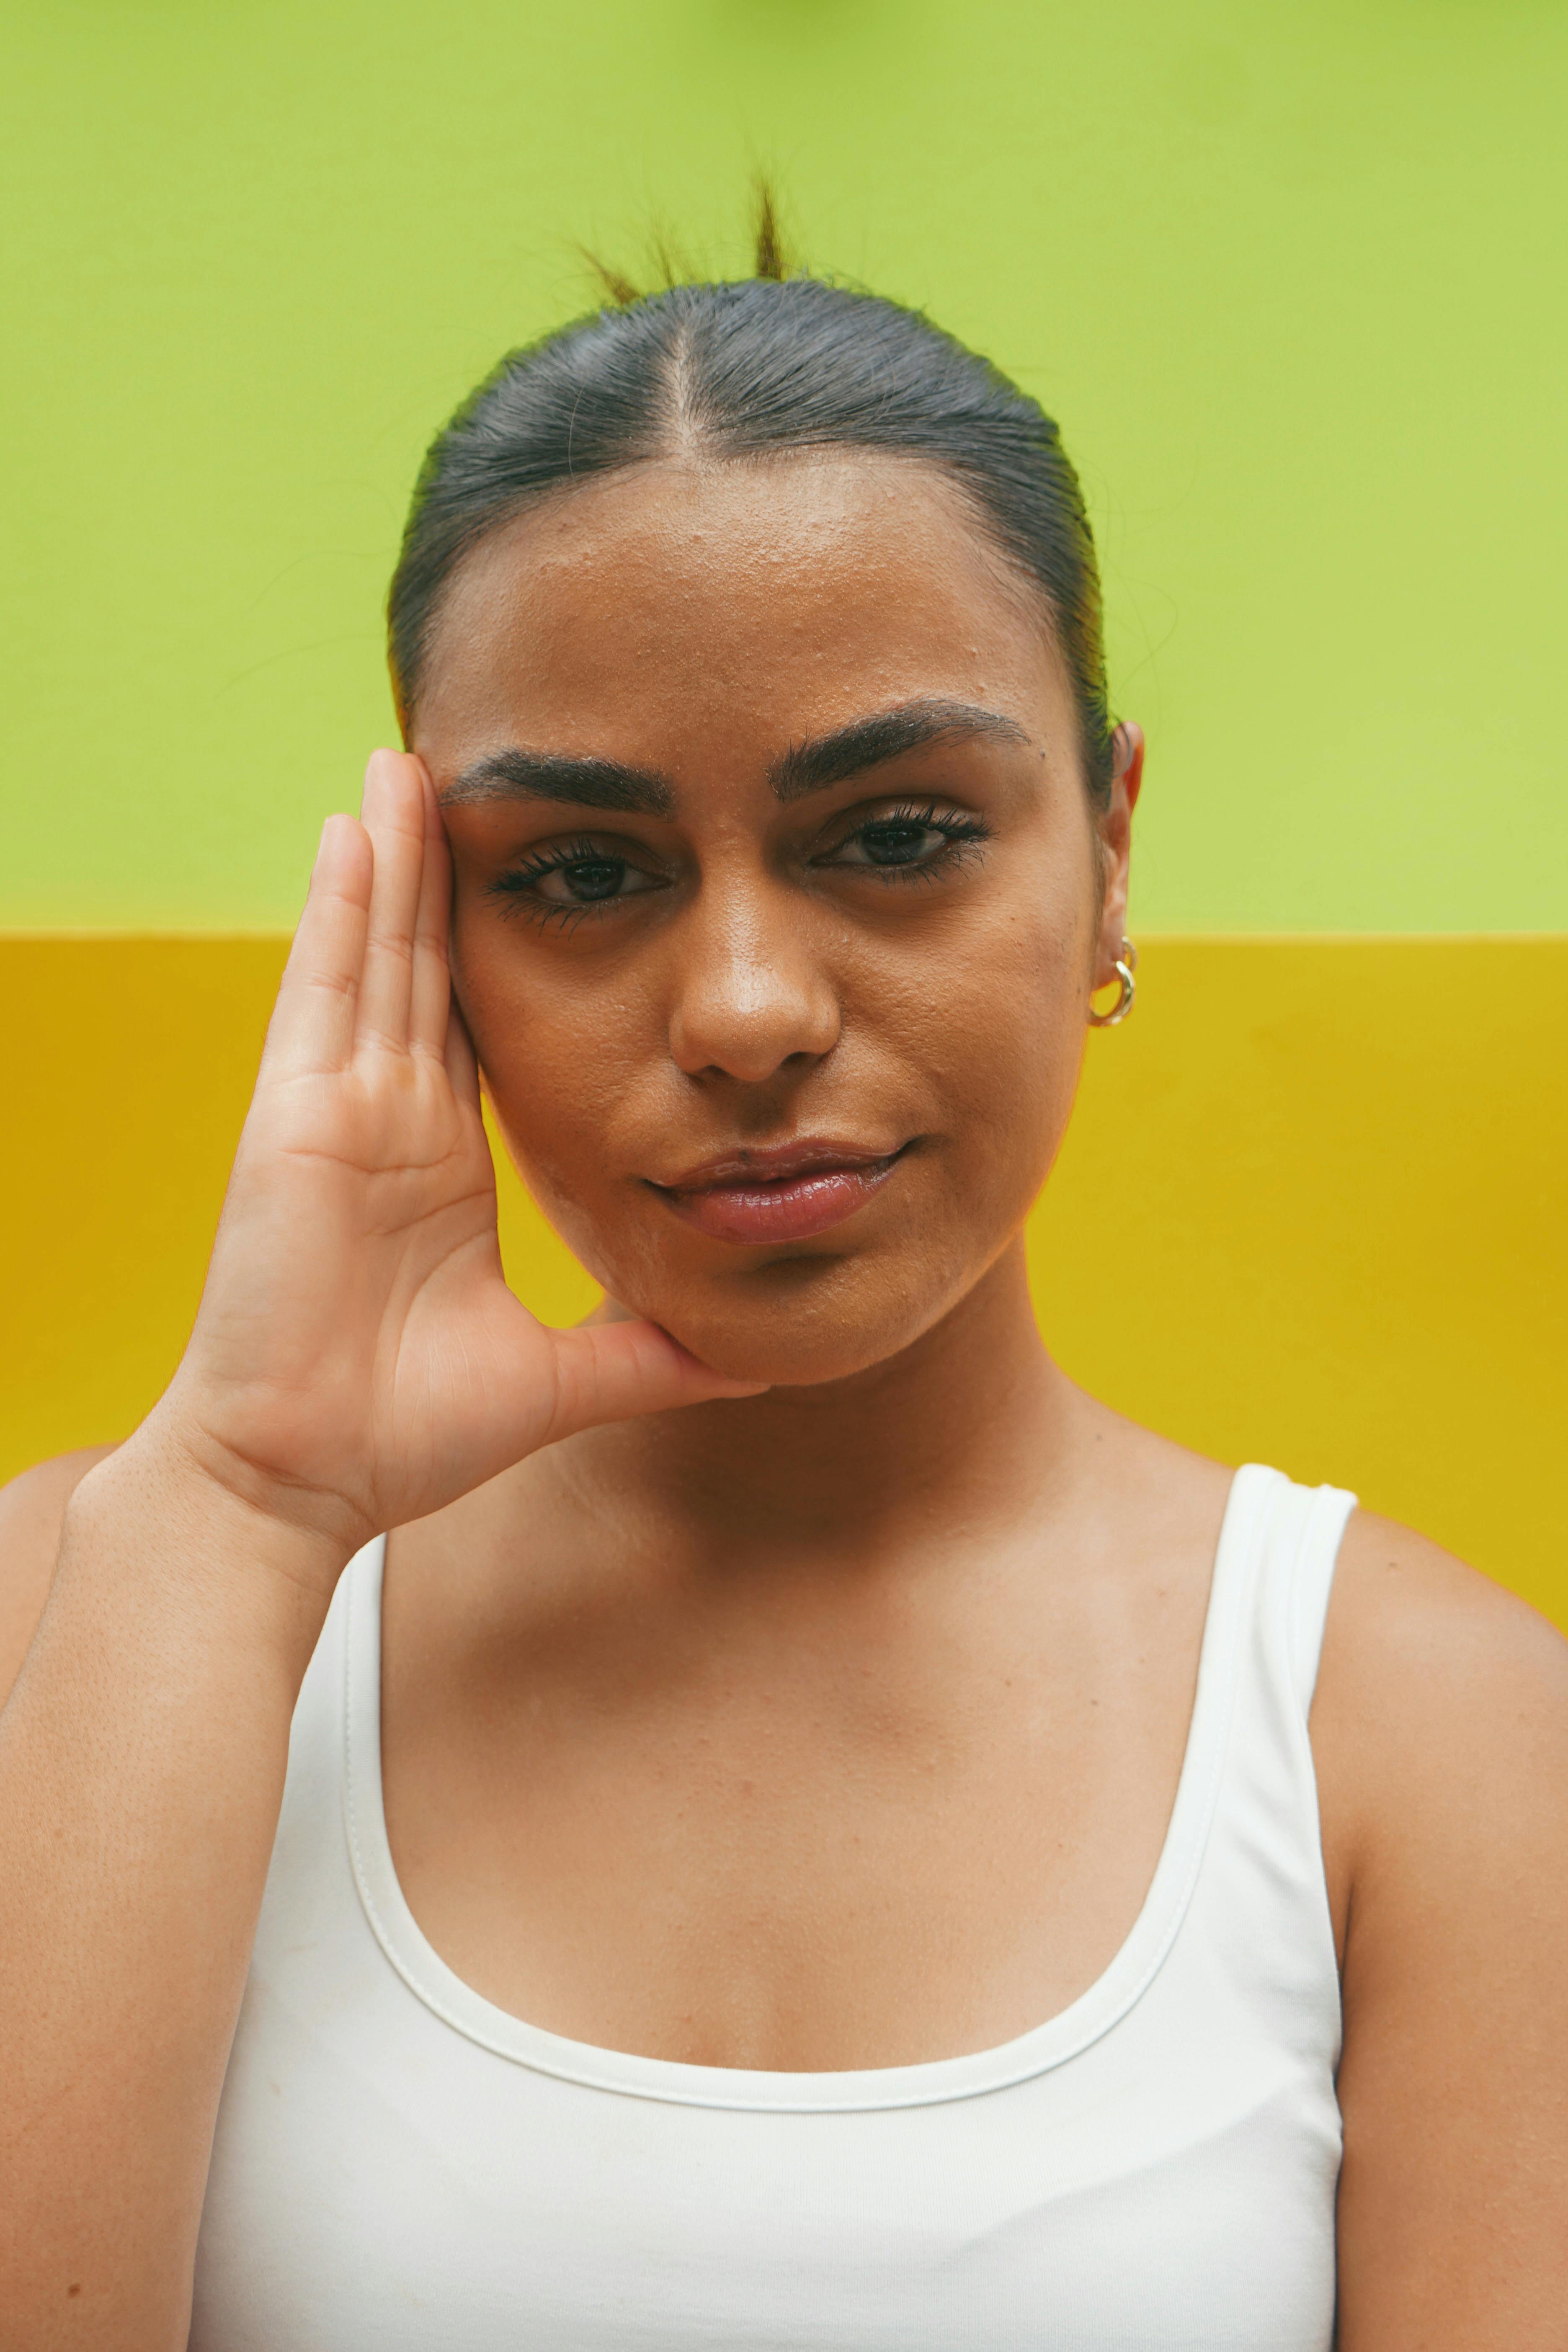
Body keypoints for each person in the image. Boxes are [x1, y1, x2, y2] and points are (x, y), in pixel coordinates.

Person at [2, 225, 1565, 2352]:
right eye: (579, 873)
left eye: (897, 835)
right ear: (427, 922)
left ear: (1109, 848)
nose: (744, 1008)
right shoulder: (94, 1612)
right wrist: (246, 1500)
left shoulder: (1426, 1731)